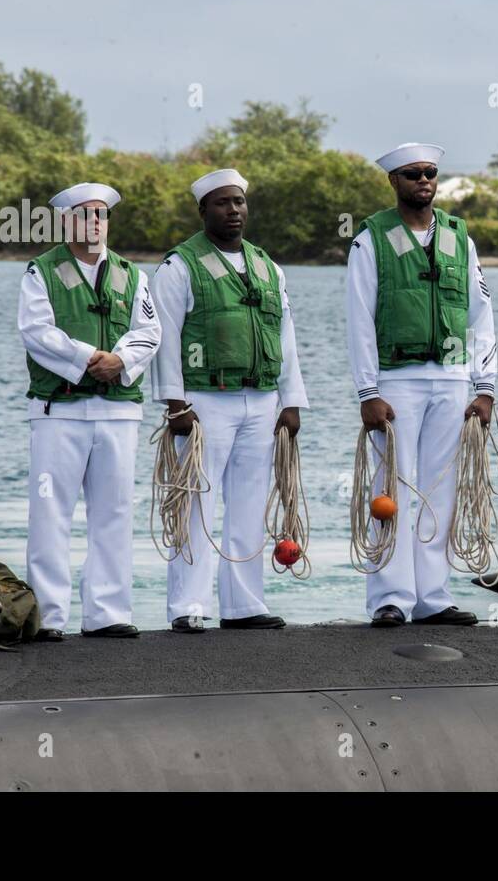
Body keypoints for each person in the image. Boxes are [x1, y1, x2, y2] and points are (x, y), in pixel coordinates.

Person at [150, 168, 308, 633]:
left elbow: (287, 337)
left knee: (249, 503)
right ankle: (188, 606)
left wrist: (291, 400)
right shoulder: (180, 266)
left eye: (239, 202)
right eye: (222, 203)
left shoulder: (267, 266)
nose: (233, 210)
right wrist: (175, 403)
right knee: (195, 502)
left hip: (260, 400)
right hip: (204, 401)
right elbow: (165, 339)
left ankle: (243, 605)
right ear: (203, 211)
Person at [346, 143, 498, 627]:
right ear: (395, 181)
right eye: (413, 174)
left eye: (430, 173)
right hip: (396, 381)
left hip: (452, 381)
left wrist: (485, 385)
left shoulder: (459, 237)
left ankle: (433, 596)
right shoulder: (369, 239)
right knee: (393, 490)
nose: (424, 181)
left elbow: (482, 315)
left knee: (441, 490)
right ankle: (390, 597)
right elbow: (358, 320)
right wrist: (368, 392)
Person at [19, 182, 161, 641]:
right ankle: (48, 615)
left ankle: (107, 612)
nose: (95, 222)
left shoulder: (131, 274)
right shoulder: (41, 271)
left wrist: (120, 361)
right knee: (50, 513)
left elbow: (150, 330)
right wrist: (87, 359)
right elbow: (37, 332)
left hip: (118, 412)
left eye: (101, 214)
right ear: (66, 221)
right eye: (85, 214)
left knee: (114, 511)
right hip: (58, 410)